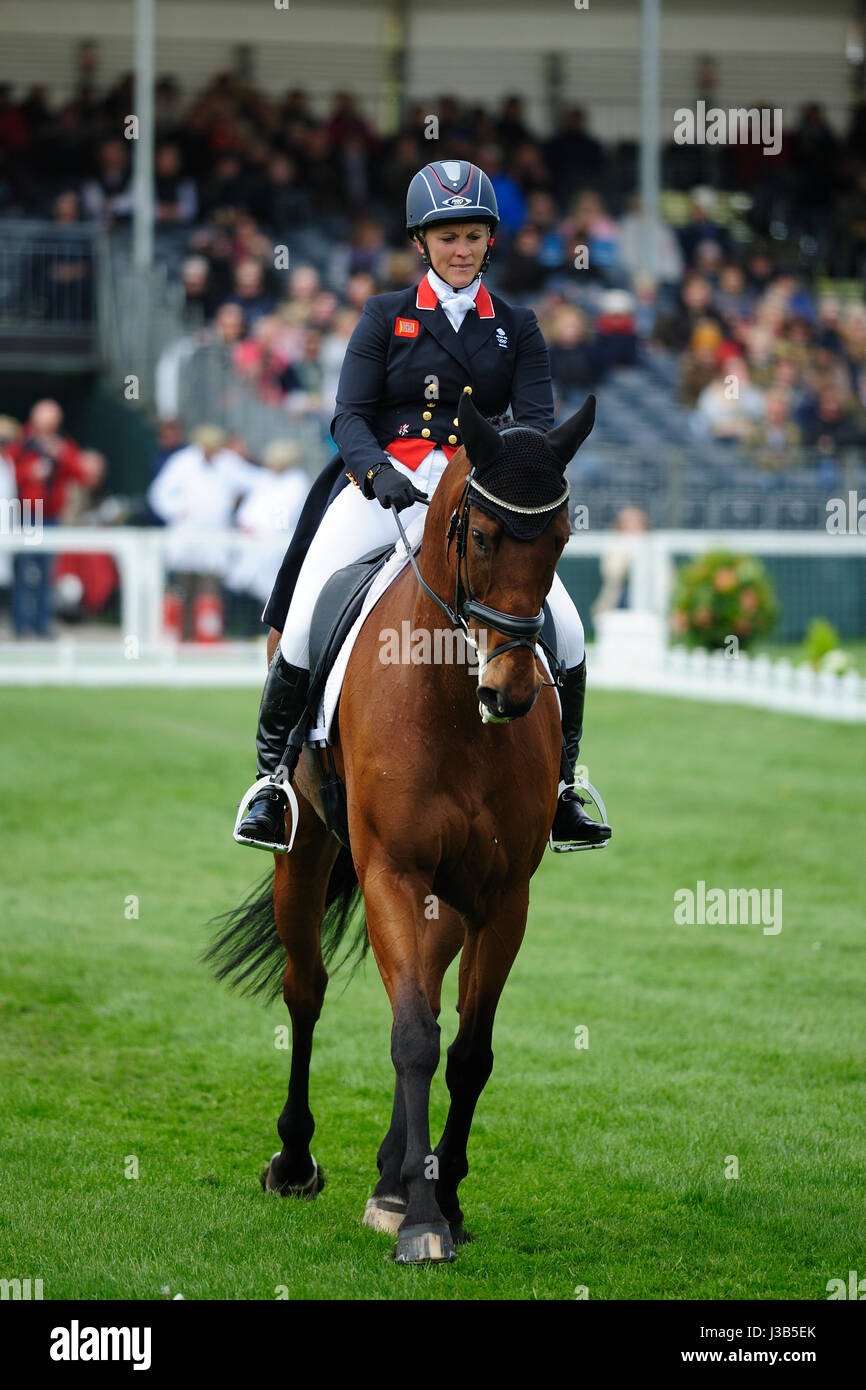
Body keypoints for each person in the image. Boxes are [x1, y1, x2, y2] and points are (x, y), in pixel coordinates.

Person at [236, 159, 611, 852]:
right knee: (306, 612)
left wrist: (504, 479)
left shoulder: (518, 326)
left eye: (472, 236)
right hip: (387, 489)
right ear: (422, 243)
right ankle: (271, 783)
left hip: (482, 497)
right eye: (447, 238)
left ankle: (562, 788)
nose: (461, 250)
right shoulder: (385, 316)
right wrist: (376, 473)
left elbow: (534, 424)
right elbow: (348, 415)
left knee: (568, 624)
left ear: (489, 240)